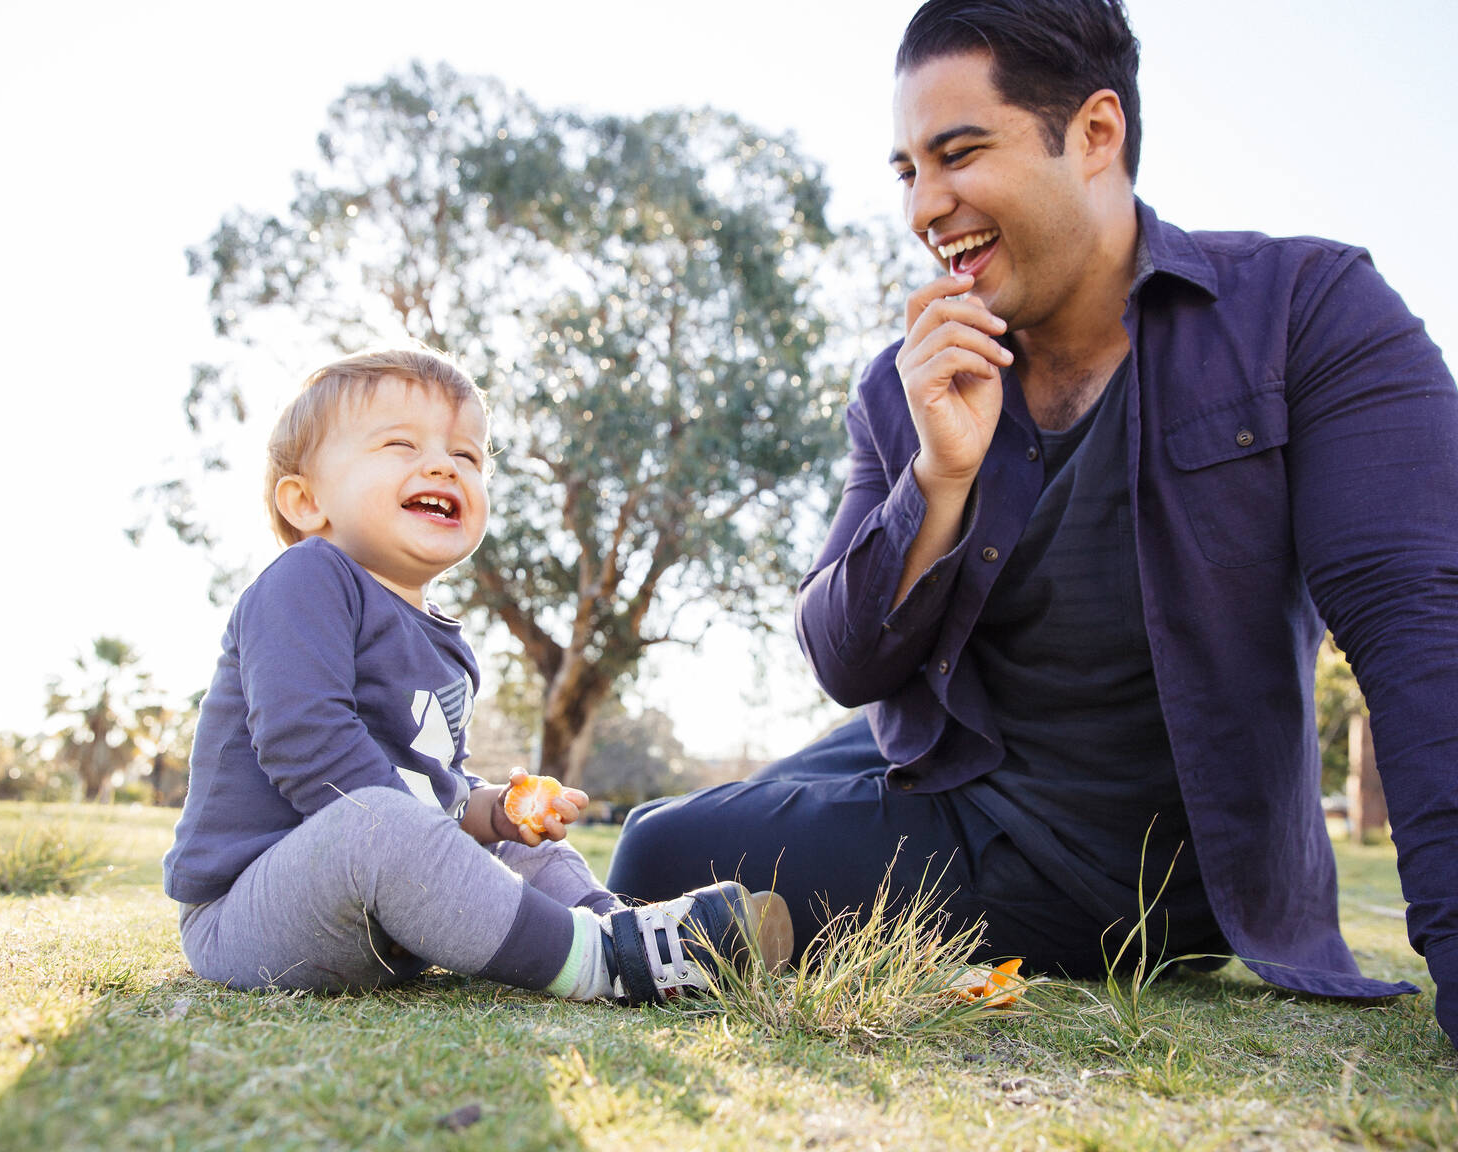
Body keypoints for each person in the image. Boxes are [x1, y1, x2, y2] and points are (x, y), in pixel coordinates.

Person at [607, 0, 1458, 1048]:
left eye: (958, 153)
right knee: (690, 833)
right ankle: (480, 879)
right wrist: (938, 475)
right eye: (907, 170)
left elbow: (1420, 626)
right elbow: (843, 657)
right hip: (948, 755)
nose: (927, 206)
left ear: (1097, 134)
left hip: (1110, 862)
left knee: (656, 857)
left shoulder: (1311, 310)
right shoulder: (900, 385)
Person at [163, 347, 792, 1005]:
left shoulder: (448, 645)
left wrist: (492, 810)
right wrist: (434, 838)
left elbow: (439, 785)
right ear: (305, 500)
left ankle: (626, 928)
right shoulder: (306, 580)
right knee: (377, 820)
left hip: (388, 921)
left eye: (467, 456)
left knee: (524, 851)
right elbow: (304, 739)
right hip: (251, 913)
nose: (441, 464)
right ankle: (602, 962)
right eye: (400, 445)